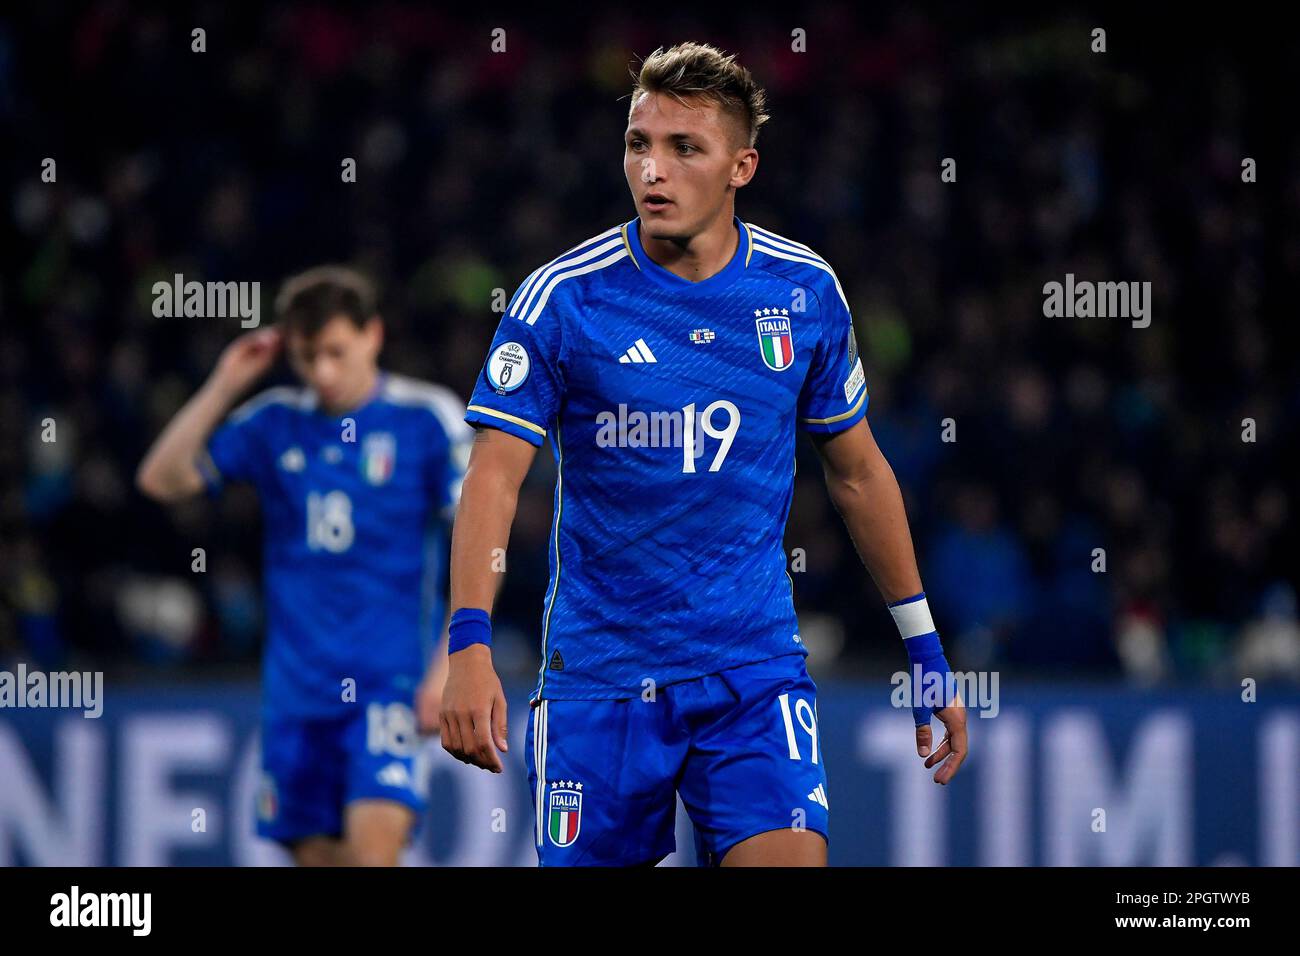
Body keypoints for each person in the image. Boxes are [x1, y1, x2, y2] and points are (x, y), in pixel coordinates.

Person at [441, 42, 968, 867]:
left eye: (684, 148)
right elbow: (493, 478)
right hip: (601, 679)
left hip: (750, 670)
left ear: (741, 167)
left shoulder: (803, 293)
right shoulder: (563, 300)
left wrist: (925, 648)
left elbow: (858, 473)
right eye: (638, 144)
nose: (654, 170)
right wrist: (468, 641)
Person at [137, 266, 471, 865]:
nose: (322, 373)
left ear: (374, 335)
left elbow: (480, 542)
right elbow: (161, 479)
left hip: (386, 684)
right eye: (307, 356)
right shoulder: (273, 422)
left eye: (336, 353)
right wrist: (224, 383)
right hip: (295, 695)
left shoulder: (425, 419)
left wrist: (450, 662)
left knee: (373, 857)